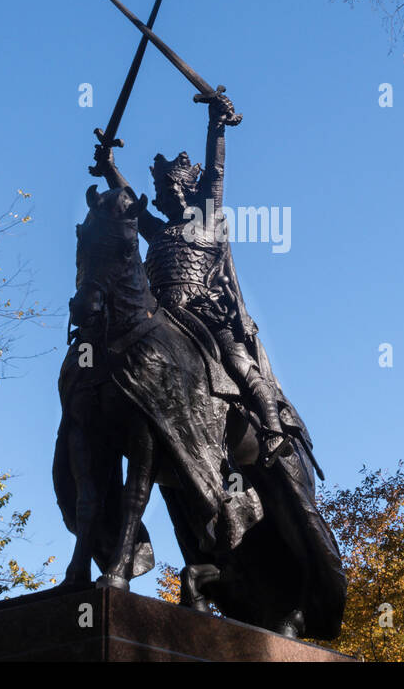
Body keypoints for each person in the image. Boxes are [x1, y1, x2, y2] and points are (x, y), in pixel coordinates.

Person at [91, 90, 293, 465]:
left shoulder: (207, 219)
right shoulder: (160, 230)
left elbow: (216, 172)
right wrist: (108, 169)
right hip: (162, 314)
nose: (163, 198)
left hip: (205, 310)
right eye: (160, 193)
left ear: (186, 189)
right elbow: (131, 202)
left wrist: (216, 126)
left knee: (235, 362)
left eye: (169, 190)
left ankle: (272, 429)